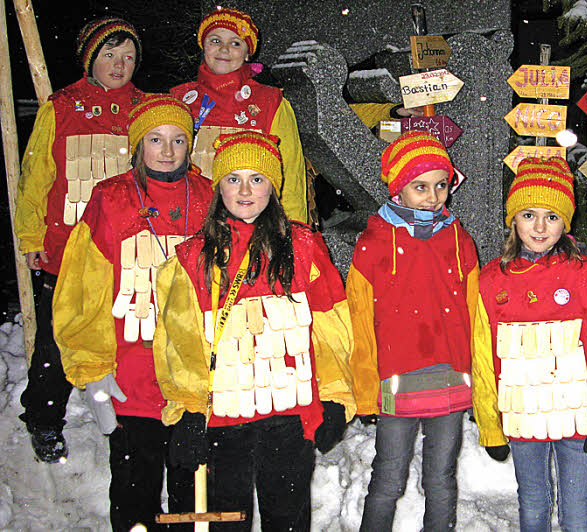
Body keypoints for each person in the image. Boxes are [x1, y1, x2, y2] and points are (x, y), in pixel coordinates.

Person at [153, 130, 355, 531]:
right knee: (229, 519)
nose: (245, 190)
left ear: (273, 188)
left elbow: (331, 329)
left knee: (288, 517)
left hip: (290, 414)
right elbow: (180, 343)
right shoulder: (193, 258)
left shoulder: (304, 248)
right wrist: (189, 411)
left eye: (257, 179)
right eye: (233, 179)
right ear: (218, 188)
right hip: (225, 420)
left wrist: (334, 396)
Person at [53, 95, 209, 531]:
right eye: (156, 139)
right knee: (134, 488)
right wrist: (92, 366)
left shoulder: (210, 197)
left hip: (191, 381)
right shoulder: (110, 198)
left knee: (190, 493)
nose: (167, 150)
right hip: (130, 376)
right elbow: (82, 290)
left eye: (179, 140)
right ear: (138, 145)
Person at [14, 17, 144, 463]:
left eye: (128, 57)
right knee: (57, 338)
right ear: (91, 59)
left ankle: (125, 411)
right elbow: (36, 178)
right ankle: (43, 418)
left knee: (126, 334)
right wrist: (32, 235)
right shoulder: (61, 106)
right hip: (67, 248)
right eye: (109, 54)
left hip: (126, 249)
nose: (119, 65)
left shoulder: (149, 108)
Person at [472, 157, 587, 532]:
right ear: (513, 219)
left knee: (576, 512)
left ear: (565, 221)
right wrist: (490, 425)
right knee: (534, 506)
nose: (540, 227)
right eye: (528, 214)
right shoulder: (491, 280)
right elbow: (482, 356)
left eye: (552, 217)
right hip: (523, 415)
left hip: (579, 417)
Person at [347, 131, 479, 531]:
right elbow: (359, 321)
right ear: (398, 188)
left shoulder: (458, 238)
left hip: (450, 374)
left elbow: (475, 312)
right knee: (388, 476)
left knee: (440, 478)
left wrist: (481, 377)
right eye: (420, 187)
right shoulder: (373, 242)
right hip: (397, 376)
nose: (433, 196)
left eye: (441, 185)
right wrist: (366, 387)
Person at [170, 7, 309, 223]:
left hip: (250, 226)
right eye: (215, 40)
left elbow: (290, 174)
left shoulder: (270, 102)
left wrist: (294, 230)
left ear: (247, 53)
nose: (224, 49)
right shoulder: (179, 99)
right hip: (186, 220)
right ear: (203, 46)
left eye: (235, 43)